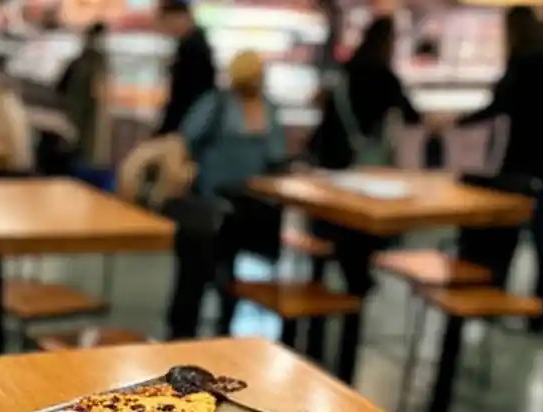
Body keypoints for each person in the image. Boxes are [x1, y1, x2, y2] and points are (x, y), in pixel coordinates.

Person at [456, 7, 543, 323]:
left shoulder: (526, 61)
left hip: (521, 164)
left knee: (504, 232)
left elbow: (501, 109)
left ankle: (490, 295)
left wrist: (459, 124)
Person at [166, 51, 286, 338]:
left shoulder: (253, 106)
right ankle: (188, 333)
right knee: (199, 273)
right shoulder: (223, 104)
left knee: (224, 274)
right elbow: (276, 153)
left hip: (240, 207)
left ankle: (216, 332)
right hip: (211, 205)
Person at [308, 16, 422, 296]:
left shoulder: (346, 70)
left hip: (332, 161)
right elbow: (412, 114)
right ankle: (355, 283)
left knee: (337, 223)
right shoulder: (385, 76)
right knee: (358, 230)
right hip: (366, 169)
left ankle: (331, 281)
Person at [59, 22, 112, 189]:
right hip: (86, 123)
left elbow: (61, 88)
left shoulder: (82, 61)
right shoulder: (98, 63)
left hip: (78, 120)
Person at [155, 0, 215, 136]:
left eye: (167, 22)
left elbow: (182, 95)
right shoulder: (198, 43)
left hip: (189, 124)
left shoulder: (191, 48)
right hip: (196, 122)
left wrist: (164, 130)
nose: (167, 30)